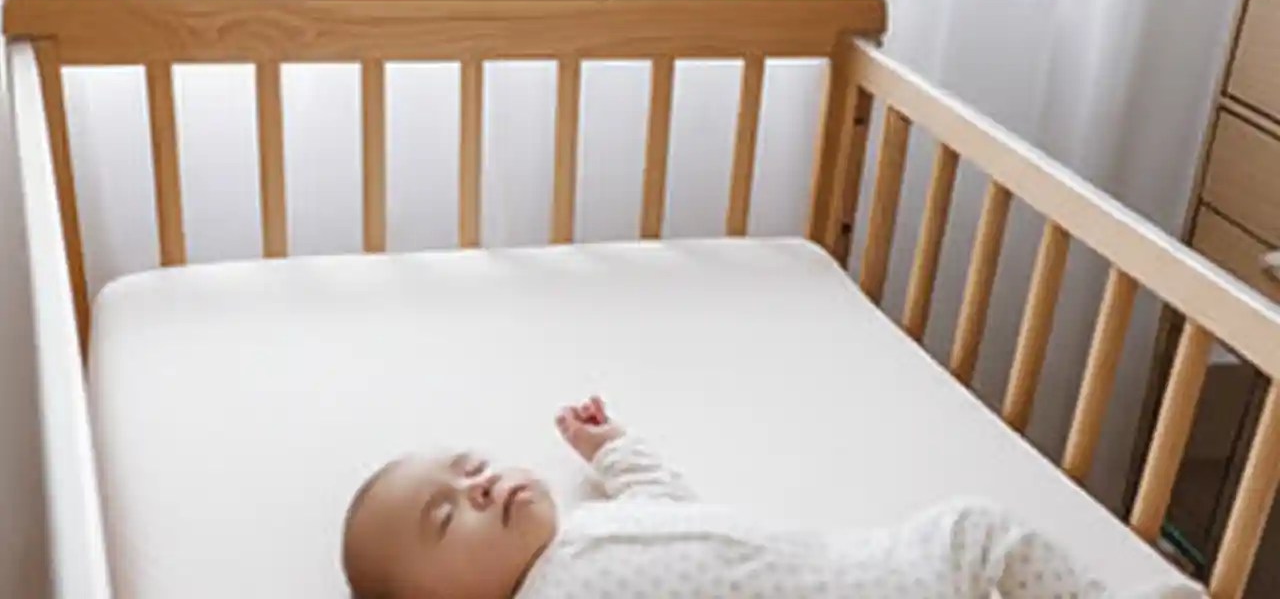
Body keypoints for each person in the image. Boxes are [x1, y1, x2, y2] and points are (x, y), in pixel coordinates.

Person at [341, 396, 1202, 599]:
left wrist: (611, 448)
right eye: (446, 515)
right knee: (975, 535)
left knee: (975, 532)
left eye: (468, 464)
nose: (478, 483)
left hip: (873, 569)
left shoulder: (606, 519)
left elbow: (664, 490)